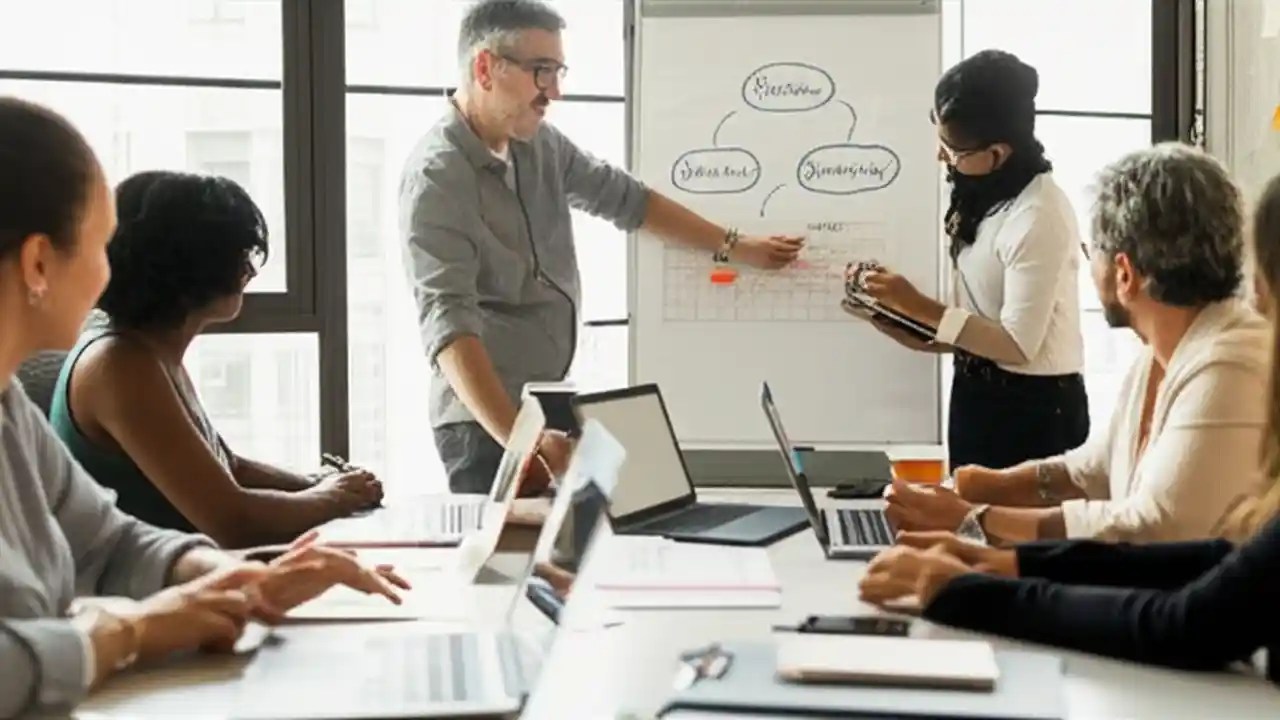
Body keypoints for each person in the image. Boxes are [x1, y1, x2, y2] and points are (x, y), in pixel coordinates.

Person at [0, 96, 408, 718]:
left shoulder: (9, 408)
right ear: (38, 263)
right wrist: (130, 632)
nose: (109, 272)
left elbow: (112, 543)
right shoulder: (118, 361)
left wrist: (227, 577)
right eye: (101, 245)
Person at [857, 168, 1280, 685]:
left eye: (1265, 289)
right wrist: (1001, 542)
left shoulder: (1231, 357)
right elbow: (1211, 558)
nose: (1257, 306)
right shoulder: (1162, 356)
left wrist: (971, 559)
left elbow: (1180, 601)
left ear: (1123, 273)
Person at [400, 0, 804, 494]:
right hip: (487, 427)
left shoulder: (541, 146)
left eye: (558, 71)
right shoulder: (438, 176)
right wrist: (522, 442)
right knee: (518, 547)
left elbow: (630, 201)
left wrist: (736, 246)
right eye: (541, 71)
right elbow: (449, 329)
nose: (554, 92)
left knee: (603, 524)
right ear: (485, 68)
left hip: (547, 407)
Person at [882, 144, 1269, 545]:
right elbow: (1094, 468)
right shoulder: (1160, 355)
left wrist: (975, 519)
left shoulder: (1229, 366)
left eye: (1090, 251)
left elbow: (1152, 526)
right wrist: (981, 485)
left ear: (1124, 274)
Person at [48, 170, 384, 549]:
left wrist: (315, 483)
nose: (248, 269)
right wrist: (334, 497)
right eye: (234, 254)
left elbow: (228, 466)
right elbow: (233, 522)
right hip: (138, 581)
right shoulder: (119, 365)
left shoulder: (151, 350)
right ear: (186, 263)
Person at [846, 50, 1087, 472]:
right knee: (966, 510)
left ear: (997, 153)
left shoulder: (1038, 215)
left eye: (953, 150)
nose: (942, 158)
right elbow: (976, 324)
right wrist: (897, 318)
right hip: (977, 393)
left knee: (1008, 516)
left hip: (1036, 412)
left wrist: (917, 304)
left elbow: (1016, 346)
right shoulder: (977, 190)